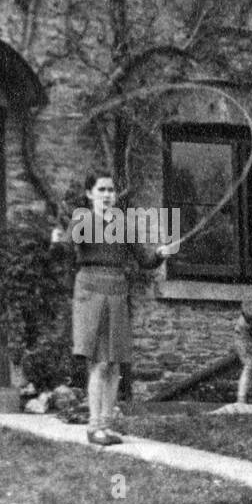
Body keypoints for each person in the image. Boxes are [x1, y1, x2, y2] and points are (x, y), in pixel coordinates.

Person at [69, 173, 176, 445]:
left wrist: (161, 254)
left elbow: (144, 259)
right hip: (91, 288)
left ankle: (106, 424)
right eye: (101, 190)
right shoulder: (82, 219)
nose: (107, 195)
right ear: (90, 193)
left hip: (117, 289)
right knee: (99, 361)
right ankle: (94, 427)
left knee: (115, 362)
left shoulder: (123, 224)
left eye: (111, 190)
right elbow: (75, 242)